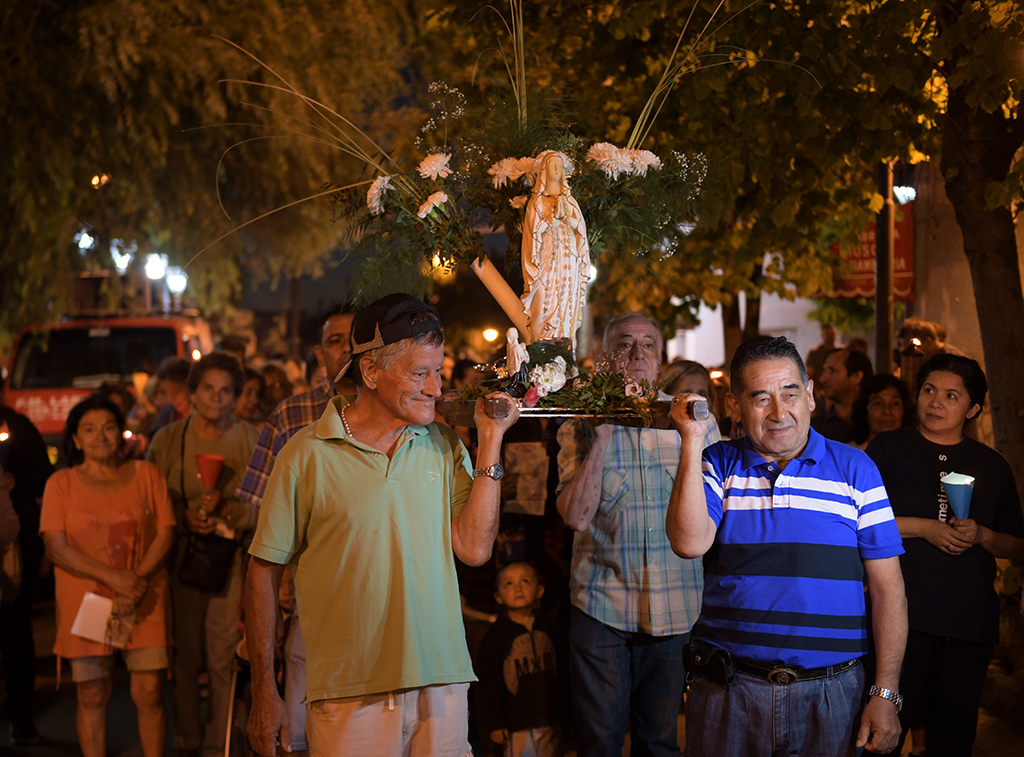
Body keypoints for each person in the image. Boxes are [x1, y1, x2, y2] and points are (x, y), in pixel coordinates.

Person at [246, 293, 519, 757]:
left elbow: (474, 549)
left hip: (443, 679)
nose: (436, 388)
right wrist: (263, 692)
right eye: (420, 373)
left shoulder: (443, 444)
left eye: (438, 370)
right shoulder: (305, 454)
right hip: (349, 691)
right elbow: (261, 571)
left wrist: (489, 443)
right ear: (370, 372)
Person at [668, 335, 907, 756]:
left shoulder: (856, 469)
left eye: (790, 393)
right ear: (734, 404)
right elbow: (688, 543)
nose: (780, 412)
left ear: (810, 395)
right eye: (761, 398)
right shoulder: (717, 463)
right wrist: (691, 438)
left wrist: (885, 694)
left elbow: (890, 591)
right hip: (730, 692)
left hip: (833, 696)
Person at [556, 313, 719, 757]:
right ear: (605, 358)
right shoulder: (579, 422)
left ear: (661, 358)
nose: (637, 353)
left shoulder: (692, 421)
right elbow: (574, 516)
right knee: (599, 741)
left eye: (648, 344)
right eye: (625, 344)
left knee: (659, 742)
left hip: (674, 608)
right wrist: (603, 434)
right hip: (601, 607)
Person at [866, 354, 1024, 757]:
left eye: (951, 395)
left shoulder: (991, 466)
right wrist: (923, 527)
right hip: (900, 620)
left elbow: (1017, 547)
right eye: (929, 390)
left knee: (952, 741)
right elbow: (857, 520)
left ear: (972, 408)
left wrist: (984, 534)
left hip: (966, 625)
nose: (936, 402)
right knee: (877, 738)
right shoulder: (887, 449)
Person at [235, 304, 355, 757]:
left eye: (352, 338)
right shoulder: (292, 416)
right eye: (332, 341)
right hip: (301, 596)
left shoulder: (401, 417)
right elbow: (255, 512)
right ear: (318, 354)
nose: (344, 348)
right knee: (305, 724)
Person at [40, 397, 176, 757]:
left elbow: (165, 531)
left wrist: (136, 579)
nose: (100, 436)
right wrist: (116, 580)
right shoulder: (61, 484)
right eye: (89, 429)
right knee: (92, 692)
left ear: (121, 433)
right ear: (76, 438)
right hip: (89, 602)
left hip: (143, 596)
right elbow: (56, 546)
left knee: (149, 692)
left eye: (109, 427)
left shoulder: (147, 473)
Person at [147, 352, 258, 757]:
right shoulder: (167, 440)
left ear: (236, 397)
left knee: (223, 656)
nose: (217, 397)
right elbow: (147, 503)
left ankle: (219, 744)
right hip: (179, 561)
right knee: (184, 655)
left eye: (226, 390)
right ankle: (187, 738)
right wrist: (182, 516)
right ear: (192, 393)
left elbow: (267, 506)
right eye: (208, 388)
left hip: (230, 565)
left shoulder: (250, 439)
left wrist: (231, 511)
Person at [0, 404, 53, 745]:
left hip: (15, 551)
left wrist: (13, 482)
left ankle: (22, 718)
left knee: (16, 635)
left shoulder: (18, 427)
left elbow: (43, 477)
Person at [476, 562, 566, 757]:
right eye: (508, 583)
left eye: (525, 581)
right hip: (516, 725)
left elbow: (564, 673)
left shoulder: (551, 628)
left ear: (540, 590)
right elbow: (489, 684)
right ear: (498, 596)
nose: (518, 588)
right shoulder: (495, 637)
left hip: (551, 720)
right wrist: (495, 723)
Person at [521, 150, 590, 347]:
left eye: (559, 166)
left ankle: (565, 353)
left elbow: (581, 234)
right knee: (543, 305)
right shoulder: (536, 202)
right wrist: (550, 220)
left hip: (568, 264)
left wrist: (568, 218)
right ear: (543, 171)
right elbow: (531, 234)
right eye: (552, 165)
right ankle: (542, 352)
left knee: (567, 306)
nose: (557, 169)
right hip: (546, 263)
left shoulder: (570, 201)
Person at [812, 347, 873, 443]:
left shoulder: (876, 422)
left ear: (856, 376)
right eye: (825, 371)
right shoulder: (814, 430)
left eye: (832, 371)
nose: (822, 378)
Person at [850, 374, 913, 450]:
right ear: (865, 411)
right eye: (878, 403)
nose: (887, 411)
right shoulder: (848, 454)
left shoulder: (915, 453)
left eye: (895, 404)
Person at [147, 357, 192, 438]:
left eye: (176, 392)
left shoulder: (203, 413)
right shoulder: (168, 411)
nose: (171, 399)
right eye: (168, 393)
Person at [805, 322, 839, 407]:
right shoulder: (815, 352)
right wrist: (817, 391)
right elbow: (810, 373)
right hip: (820, 394)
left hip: (838, 392)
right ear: (822, 335)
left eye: (832, 333)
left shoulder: (841, 351)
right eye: (827, 333)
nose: (830, 336)